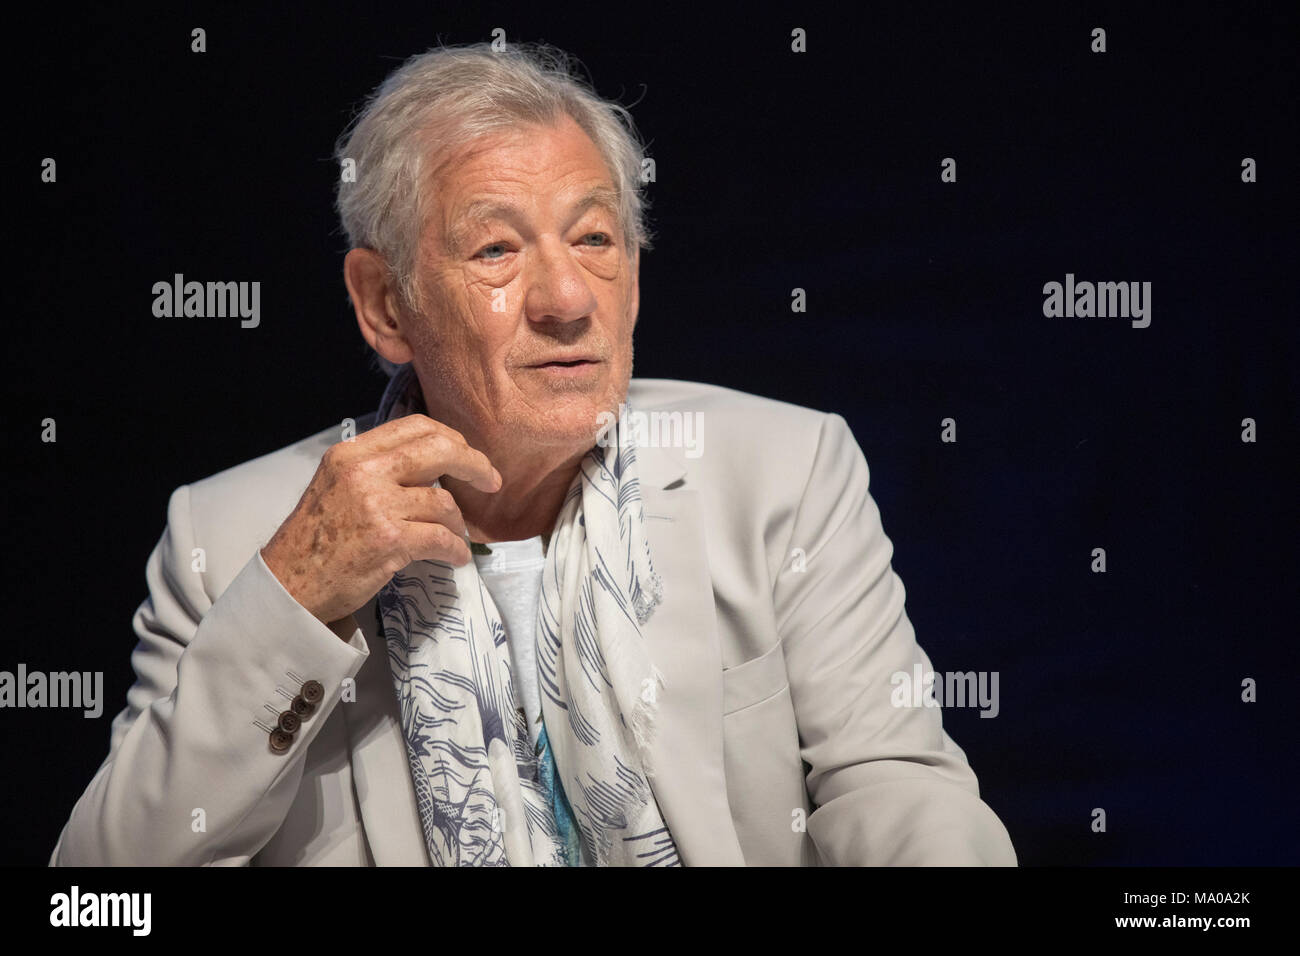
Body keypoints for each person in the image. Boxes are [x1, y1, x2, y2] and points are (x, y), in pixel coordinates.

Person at [50, 41, 1016, 866]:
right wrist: (293, 601)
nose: (567, 297)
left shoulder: (788, 471)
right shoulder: (228, 537)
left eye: (596, 238)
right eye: (497, 251)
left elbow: (892, 784)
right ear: (386, 306)